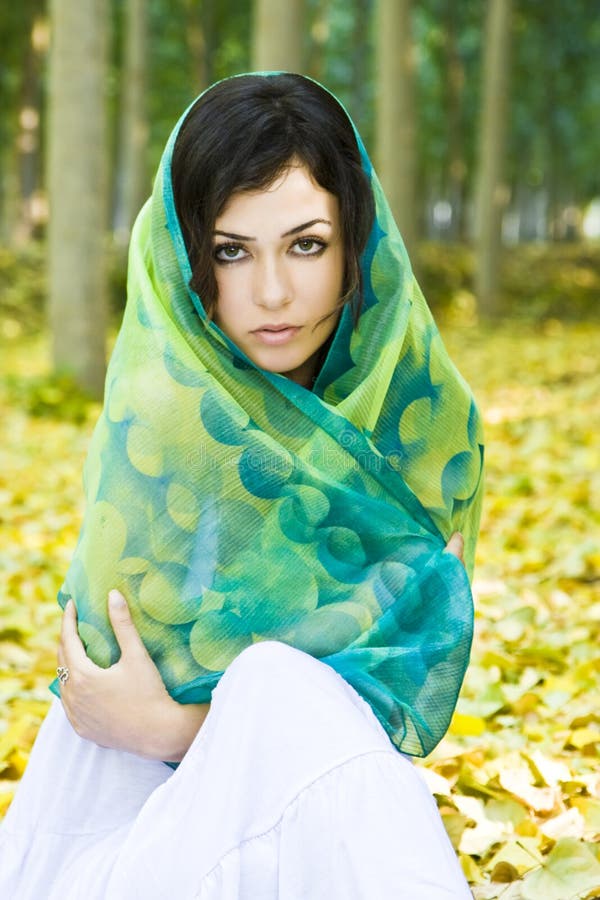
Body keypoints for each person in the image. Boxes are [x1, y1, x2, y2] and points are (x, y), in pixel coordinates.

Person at [0, 73, 483, 898]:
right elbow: (109, 706)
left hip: (314, 835)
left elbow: (379, 708)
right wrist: (172, 729)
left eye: (307, 245)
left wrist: (175, 725)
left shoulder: (422, 430)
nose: (271, 294)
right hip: (142, 845)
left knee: (285, 689)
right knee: (278, 684)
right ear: (189, 257)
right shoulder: (171, 430)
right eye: (231, 250)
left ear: (357, 243)